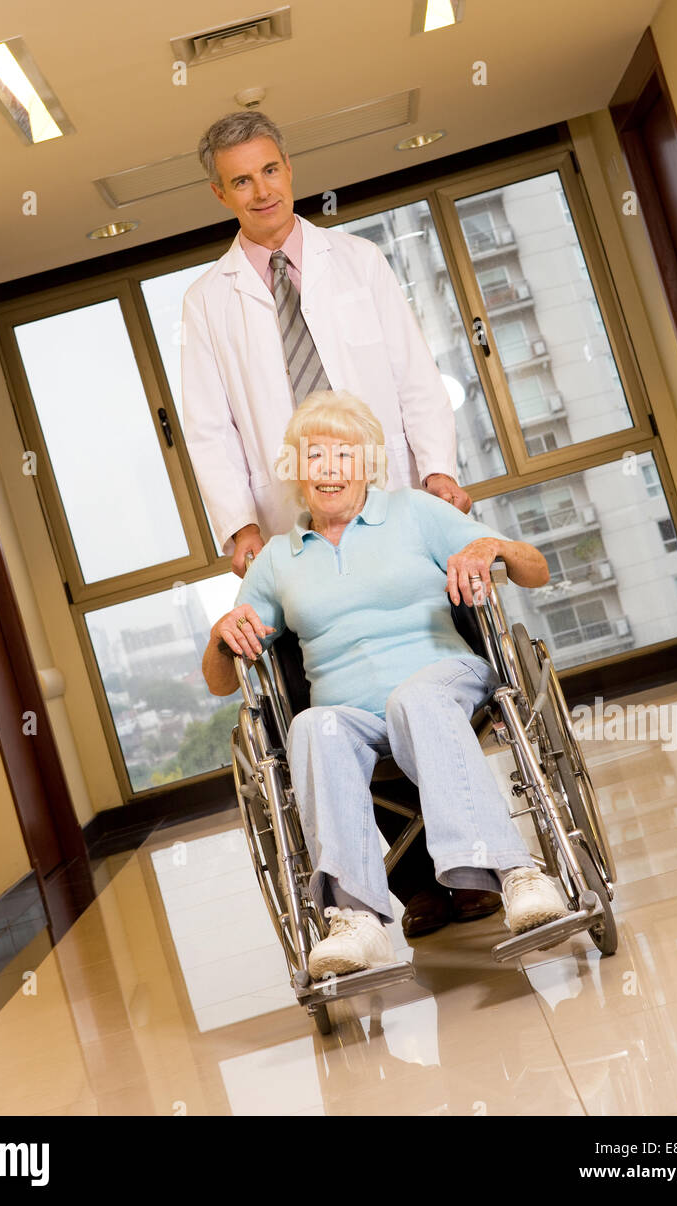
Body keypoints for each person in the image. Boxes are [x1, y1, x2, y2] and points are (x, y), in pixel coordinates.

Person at [181, 109, 492, 938]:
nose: (262, 190)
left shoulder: (359, 261)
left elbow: (413, 369)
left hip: (394, 509)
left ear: (289, 167)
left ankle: (477, 858)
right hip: (294, 539)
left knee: (423, 669)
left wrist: (438, 469)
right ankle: (420, 881)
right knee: (334, 694)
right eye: (240, 180)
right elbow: (208, 425)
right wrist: (240, 525)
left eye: (271, 170)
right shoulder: (207, 302)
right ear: (220, 192)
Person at [202, 391, 568, 979]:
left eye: (343, 454)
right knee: (310, 726)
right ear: (296, 471)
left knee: (414, 698)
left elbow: (536, 568)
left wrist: (491, 545)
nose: (328, 467)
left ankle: (517, 874)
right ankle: (355, 921)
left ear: (368, 464)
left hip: (445, 681)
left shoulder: (414, 513)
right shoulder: (276, 559)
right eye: (313, 455)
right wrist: (221, 635)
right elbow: (222, 682)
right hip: (353, 718)